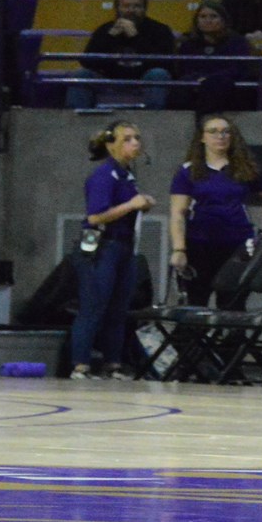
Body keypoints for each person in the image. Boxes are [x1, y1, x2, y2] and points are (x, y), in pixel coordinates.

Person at [168, 116, 262, 309]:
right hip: (199, 246)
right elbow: (178, 213)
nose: (220, 136)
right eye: (213, 131)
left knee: (233, 308)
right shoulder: (188, 171)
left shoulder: (244, 168)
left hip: (237, 247)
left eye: (225, 131)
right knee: (195, 307)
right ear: (202, 138)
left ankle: (233, 339)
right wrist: (179, 249)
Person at [73, 121, 155, 380]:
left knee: (119, 309)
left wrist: (139, 204)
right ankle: (80, 365)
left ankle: (113, 364)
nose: (135, 143)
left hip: (124, 247)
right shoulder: (103, 175)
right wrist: (132, 205)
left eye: (137, 138)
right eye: (128, 139)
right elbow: (96, 217)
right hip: (103, 246)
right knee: (94, 306)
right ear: (111, 145)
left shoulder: (127, 175)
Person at [68, 0, 175, 109]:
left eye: (137, 6)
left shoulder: (160, 30)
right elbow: (87, 62)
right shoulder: (105, 29)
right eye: (126, 6)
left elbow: (166, 64)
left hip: (143, 82)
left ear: (145, 9)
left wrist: (135, 37)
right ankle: (75, 120)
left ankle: (154, 120)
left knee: (158, 74)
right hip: (109, 82)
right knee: (81, 75)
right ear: (117, 8)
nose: (131, 10)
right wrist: (110, 37)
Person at [174, 1, 256, 114]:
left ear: (223, 20)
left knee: (216, 85)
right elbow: (184, 69)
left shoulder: (237, 42)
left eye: (213, 16)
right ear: (196, 21)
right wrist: (199, 79)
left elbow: (238, 70)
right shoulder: (188, 43)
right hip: (195, 86)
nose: (208, 20)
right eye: (203, 16)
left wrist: (209, 79)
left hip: (228, 88)